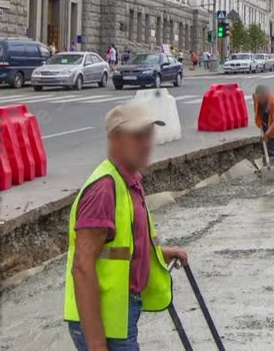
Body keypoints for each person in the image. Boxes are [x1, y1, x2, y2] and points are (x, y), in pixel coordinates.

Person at [64, 104, 188, 351]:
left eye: (148, 135)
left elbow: (120, 249)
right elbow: (82, 266)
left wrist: (160, 254)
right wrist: (97, 344)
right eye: (137, 136)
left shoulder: (128, 181)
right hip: (103, 323)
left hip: (121, 315)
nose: (145, 144)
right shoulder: (104, 190)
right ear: (114, 139)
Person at [253, 85, 274, 166]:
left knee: (273, 148)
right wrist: (259, 122)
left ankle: (272, 167)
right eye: (258, 97)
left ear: (265, 95)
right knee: (263, 146)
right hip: (265, 123)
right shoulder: (256, 96)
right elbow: (256, 108)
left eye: (261, 97)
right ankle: (265, 166)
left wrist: (267, 134)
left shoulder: (272, 102)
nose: (260, 99)